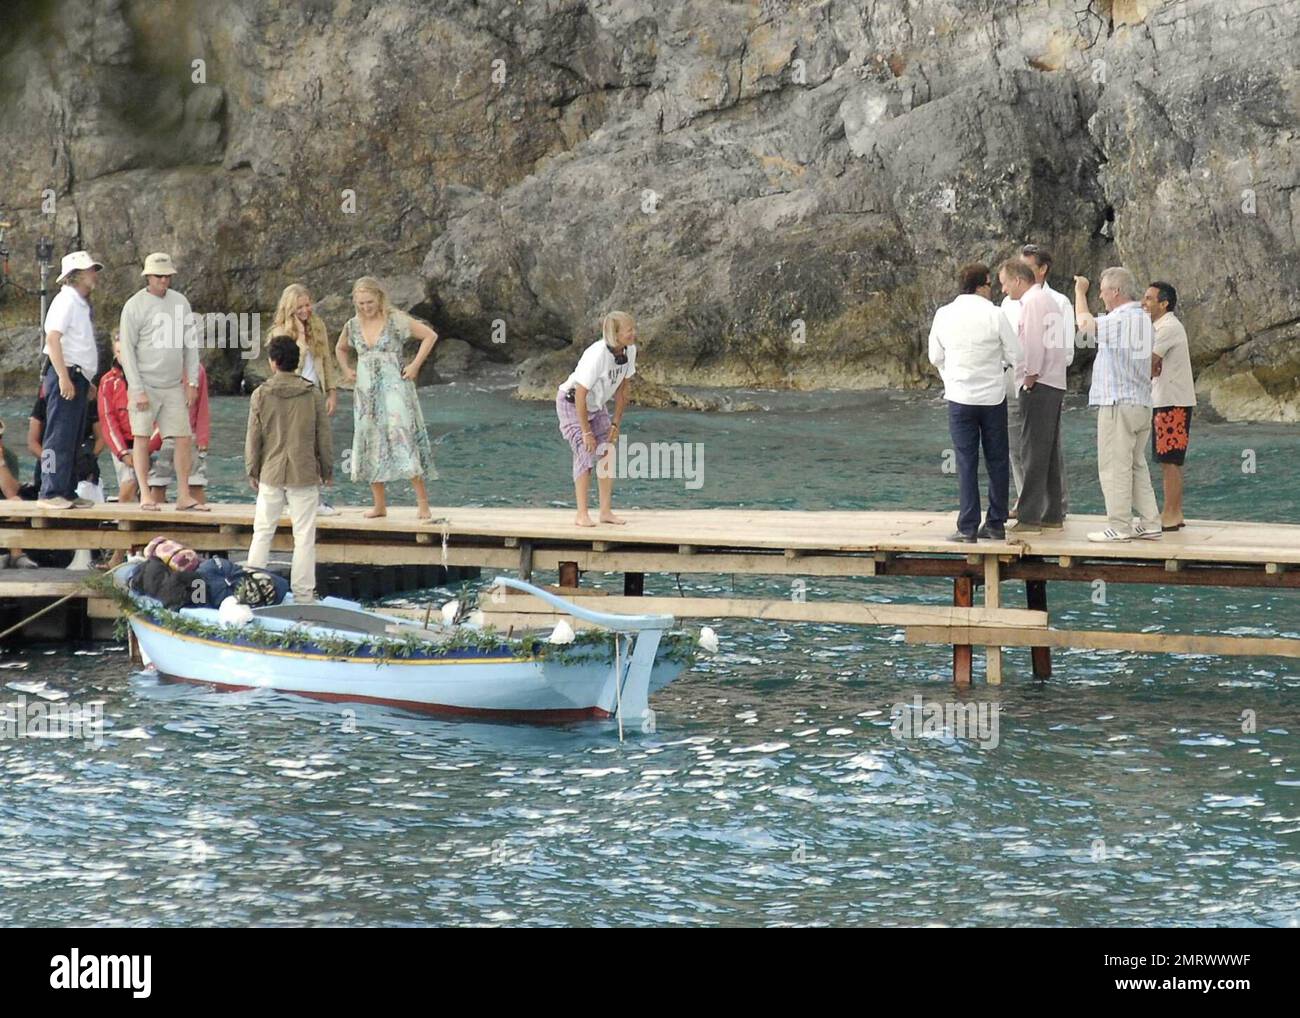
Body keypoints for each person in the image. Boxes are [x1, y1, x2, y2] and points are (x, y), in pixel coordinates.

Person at [335, 276, 438, 519]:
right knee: (370, 439)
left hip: (394, 388)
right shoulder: (352, 325)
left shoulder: (396, 320)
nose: (365, 307)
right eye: (360, 303)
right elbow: (340, 348)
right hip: (366, 391)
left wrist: (414, 366)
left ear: (379, 298)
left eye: (369, 302)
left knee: (402, 436)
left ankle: (423, 503)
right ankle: (379, 504)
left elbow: (429, 336)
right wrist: (345, 369)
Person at [928, 264, 1017, 542]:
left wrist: (951, 377)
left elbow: (935, 356)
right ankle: (995, 523)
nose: (992, 290)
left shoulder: (944, 314)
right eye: (990, 285)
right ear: (982, 285)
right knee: (997, 459)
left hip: (959, 397)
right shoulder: (995, 314)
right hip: (992, 398)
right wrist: (999, 367)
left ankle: (967, 527)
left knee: (966, 461)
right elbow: (1016, 353)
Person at [245, 336, 333, 604]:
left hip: (271, 471)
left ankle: (253, 588)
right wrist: (327, 469)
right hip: (304, 472)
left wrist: (252, 470)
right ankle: (304, 595)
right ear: (297, 362)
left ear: (273, 363)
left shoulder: (260, 394)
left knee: (263, 531)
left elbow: (253, 437)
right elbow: (323, 437)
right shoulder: (312, 394)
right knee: (304, 536)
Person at [1075, 267, 1160, 542]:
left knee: (1114, 465)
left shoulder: (1122, 319)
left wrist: (1080, 292)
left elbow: (1085, 327)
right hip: (1141, 402)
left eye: (1102, 290)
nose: (1100, 296)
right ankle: (1150, 522)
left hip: (1118, 403)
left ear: (1116, 292)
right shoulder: (1144, 319)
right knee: (1135, 464)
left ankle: (1120, 526)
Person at [118, 252, 206, 511]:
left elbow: (191, 345)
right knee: (142, 437)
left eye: (167, 276)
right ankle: (145, 493)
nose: (164, 280)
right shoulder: (134, 306)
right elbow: (127, 350)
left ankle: (183, 494)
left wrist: (192, 382)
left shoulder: (181, 302)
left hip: (173, 384)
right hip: (145, 383)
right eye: (159, 276)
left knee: (182, 437)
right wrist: (136, 389)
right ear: (148, 276)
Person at [1001, 243, 1075, 518]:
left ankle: (1031, 514)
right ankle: (1048, 511)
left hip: (1037, 382)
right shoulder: (1044, 301)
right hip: (1046, 381)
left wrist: (1029, 378)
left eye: (1005, 283)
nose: (1004, 290)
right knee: (1036, 448)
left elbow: (1033, 344)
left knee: (1035, 450)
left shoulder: (1037, 303)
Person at [557, 311, 639, 528]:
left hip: (596, 405)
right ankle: (581, 514)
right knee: (585, 452)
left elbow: (623, 390)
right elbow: (580, 393)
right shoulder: (597, 355)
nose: (634, 333)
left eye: (633, 328)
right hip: (572, 403)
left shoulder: (629, 351)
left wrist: (615, 423)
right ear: (615, 333)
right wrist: (586, 432)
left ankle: (605, 512)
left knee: (606, 453)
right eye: (629, 330)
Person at [267, 283, 339, 515]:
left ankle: (315, 499)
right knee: (292, 445)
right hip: (290, 393)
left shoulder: (318, 326)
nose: (306, 310)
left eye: (308, 305)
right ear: (289, 308)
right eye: (300, 307)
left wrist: (332, 392)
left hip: (313, 391)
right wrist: (297, 333)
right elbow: (287, 364)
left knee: (316, 444)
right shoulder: (279, 332)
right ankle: (291, 500)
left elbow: (326, 360)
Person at [39, 250, 102, 510]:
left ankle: (66, 489)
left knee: (74, 436)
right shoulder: (65, 301)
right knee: (57, 436)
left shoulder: (78, 303)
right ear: (76, 275)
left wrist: (86, 379)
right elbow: (52, 338)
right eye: (90, 270)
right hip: (66, 373)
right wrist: (64, 377)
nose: (94, 274)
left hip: (77, 376)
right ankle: (49, 490)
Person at [1142, 281, 1195, 531]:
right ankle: (1174, 511)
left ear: (1164, 304)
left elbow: (1149, 362)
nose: (1145, 302)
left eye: (1150, 298)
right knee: (1167, 460)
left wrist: (1152, 365)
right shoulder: (1159, 327)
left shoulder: (1168, 327)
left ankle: (1172, 514)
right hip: (1166, 399)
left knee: (1170, 460)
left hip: (1172, 402)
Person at [148, 362, 210, 506]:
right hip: (163, 434)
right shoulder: (157, 366)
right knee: (157, 481)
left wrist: (202, 438)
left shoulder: (197, 369)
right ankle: (155, 518)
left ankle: (199, 519)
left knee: (195, 481)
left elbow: (203, 405)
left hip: (190, 433)